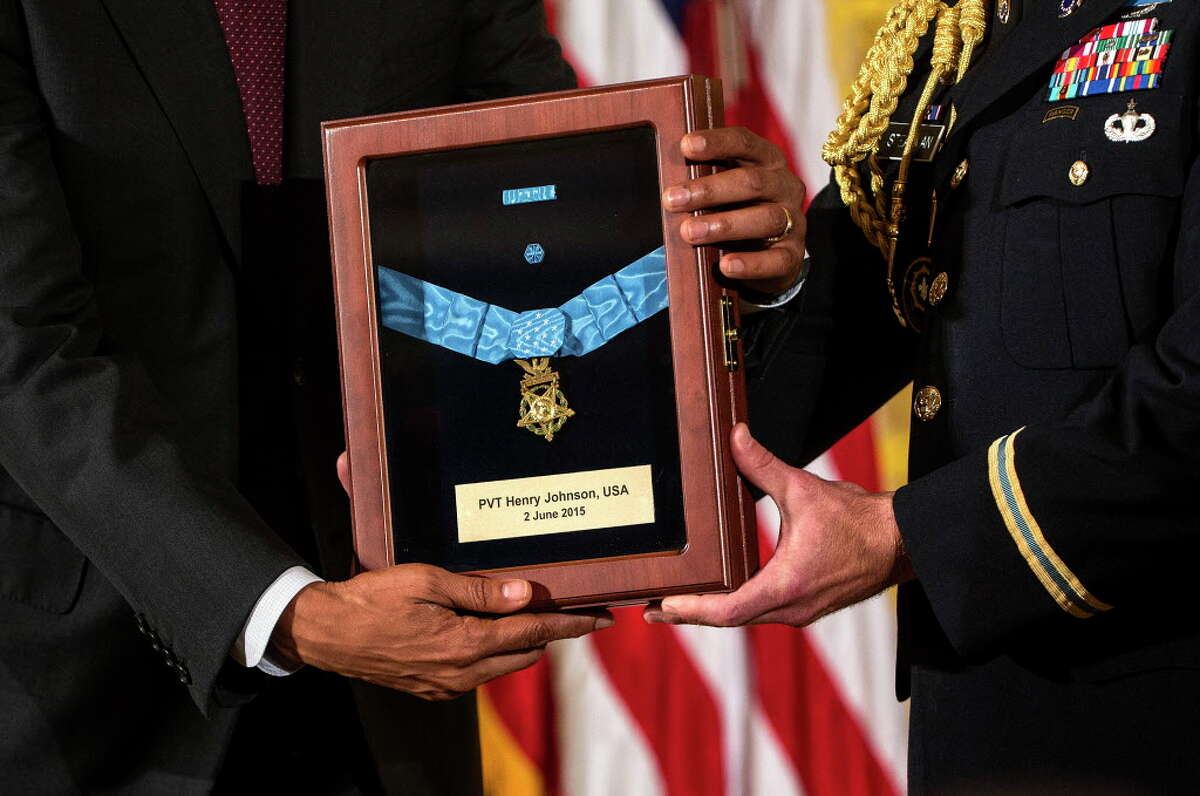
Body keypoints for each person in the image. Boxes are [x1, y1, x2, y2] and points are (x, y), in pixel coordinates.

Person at [0, 1, 805, 792]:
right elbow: (24, 353)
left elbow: (565, 205)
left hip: (395, 682)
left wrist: (733, 260)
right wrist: (289, 615)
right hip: (103, 678)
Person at [649, 0, 1200, 792]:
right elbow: (805, 373)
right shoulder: (964, 31)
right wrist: (759, 275)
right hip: (975, 720)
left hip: (1163, 713)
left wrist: (905, 537)